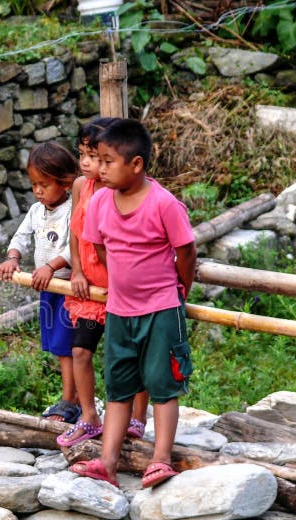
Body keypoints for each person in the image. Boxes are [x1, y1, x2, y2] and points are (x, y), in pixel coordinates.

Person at [73, 119, 196, 488]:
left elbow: (186, 251)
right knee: (119, 387)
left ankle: (160, 459)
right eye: (98, 159)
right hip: (119, 312)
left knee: (163, 385)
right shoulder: (98, 203)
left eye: (109, 161)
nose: (101, 168)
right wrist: (119, 284)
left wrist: (180, 289)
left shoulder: (164, 204)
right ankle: (106, 462)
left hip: (161, 310)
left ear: (136, 164)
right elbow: (96, 245)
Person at [57, 118, 151, 447]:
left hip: (122, 289)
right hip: (90, 288)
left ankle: (137, 417)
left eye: (95, 157)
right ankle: (88, 416)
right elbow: (76, 232)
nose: (86, 163)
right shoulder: (83, 187)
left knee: (133, 354)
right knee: (80, 350)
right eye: (82, 154)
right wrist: (78, 271)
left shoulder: (125, 190)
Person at [0, 141, 78, 423]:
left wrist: (50, 266)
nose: (38, 191)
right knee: (58, 346)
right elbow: (20, 237)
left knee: (67, 347)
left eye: (44, 184)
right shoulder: (36, 211)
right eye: (34, 184)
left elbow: (74, 248)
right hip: (49, 289)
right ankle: (72, 396)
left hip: (69, 288)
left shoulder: (73, 209)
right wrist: (12, 257)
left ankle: (70, 400)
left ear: (65, 182)